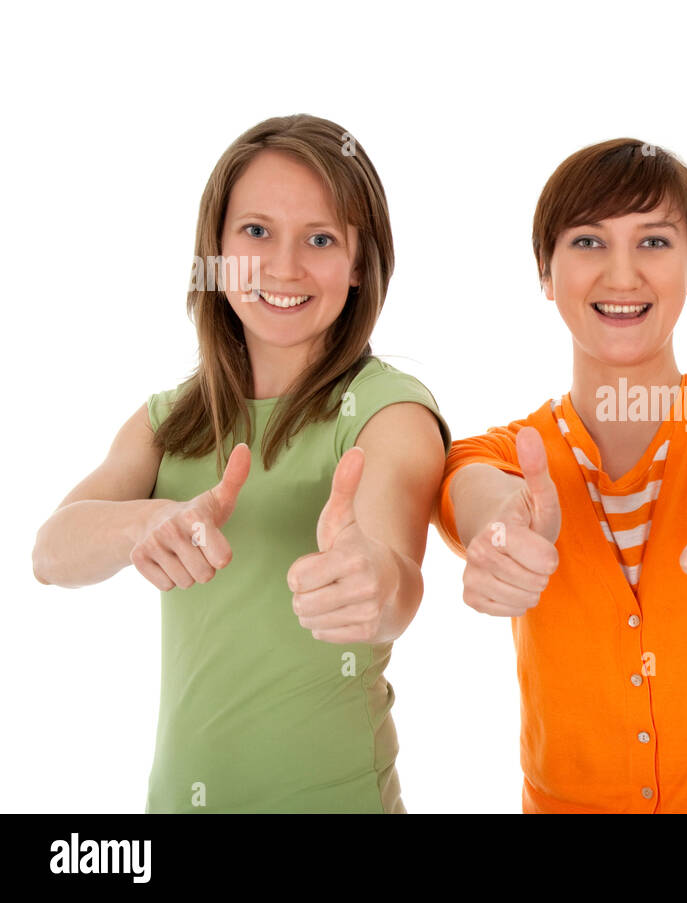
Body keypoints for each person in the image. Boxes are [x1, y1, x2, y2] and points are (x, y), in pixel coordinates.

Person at [32, 114, 451, 813]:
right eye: (256, 231)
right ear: (217, 249)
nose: (284, 267)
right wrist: (150, 523)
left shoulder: (389, 411)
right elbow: (50, 552)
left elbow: (395, 585)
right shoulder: (171, 419)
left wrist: (366, 580)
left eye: (320, 239)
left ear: (358, 264)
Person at [432, 138, 687, 813]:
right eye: (589, 242)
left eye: (653, 243)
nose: (622, 277)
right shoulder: (495, 453)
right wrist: (501, 531)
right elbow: (472, 493)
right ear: (545, 270)